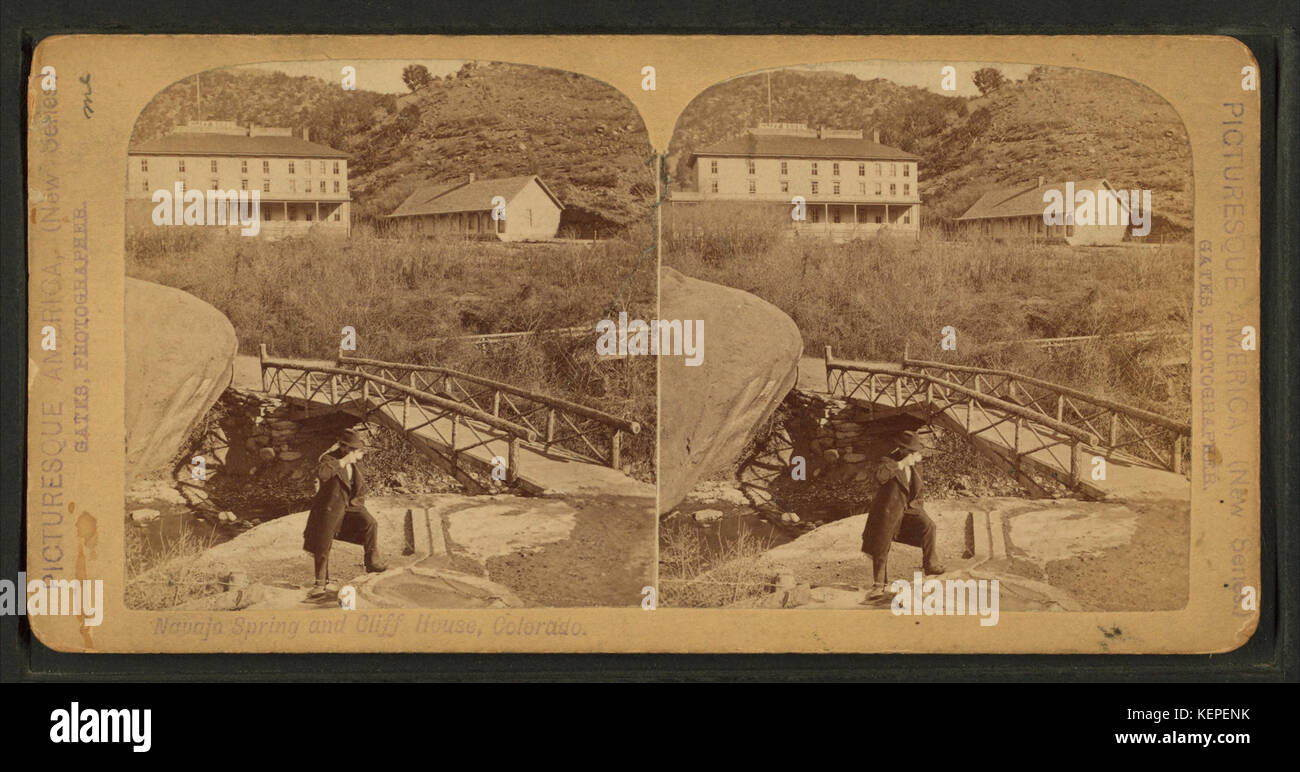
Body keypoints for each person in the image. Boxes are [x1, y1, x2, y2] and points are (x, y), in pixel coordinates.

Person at [302, 427, 388, 598]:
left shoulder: (357, 464)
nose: (362, 453)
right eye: (359, 450)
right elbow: (322, 474)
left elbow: (360, 487)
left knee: (371, 523)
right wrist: (343, 462)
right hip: (330, 508)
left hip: (350, 505)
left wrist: (358, 503)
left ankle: (372, 562)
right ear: (347, 450)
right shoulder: (329, 459)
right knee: (323, 544)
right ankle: (320, 584)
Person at [860, 429, 946, 598]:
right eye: (911, 450)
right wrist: (901, 464)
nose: (915, 453)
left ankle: (930, 564)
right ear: (901, 449)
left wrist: (918, 505)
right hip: (888, 509)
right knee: (881, 545)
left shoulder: (916, 463)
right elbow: (880, 477)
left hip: (909, 507)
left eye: (916, 450)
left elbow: (918, 488)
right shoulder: (888, 460)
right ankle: (879, 585)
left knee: (929, 526)